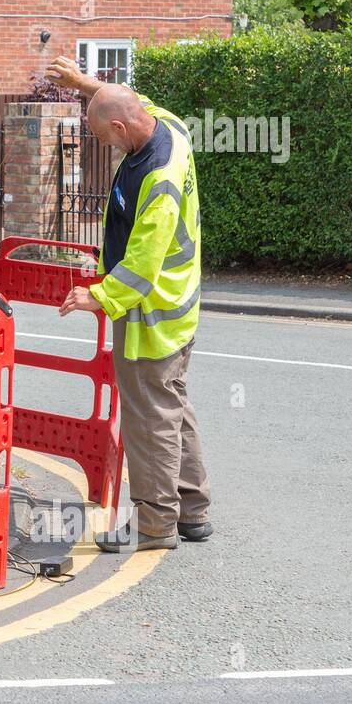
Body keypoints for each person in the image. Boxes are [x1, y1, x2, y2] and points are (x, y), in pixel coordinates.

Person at [46, 55, 212, 552]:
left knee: (150, 420)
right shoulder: (170, 127)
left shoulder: (156, 179)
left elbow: (141, 265)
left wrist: (95, 296)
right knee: (173, 407)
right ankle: (193, 510)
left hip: (151, 315)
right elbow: (121, 98)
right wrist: (82, 84)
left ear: (121, 126)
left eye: (104, 138)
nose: (105, 146)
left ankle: (157, 524)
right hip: (180, 304)